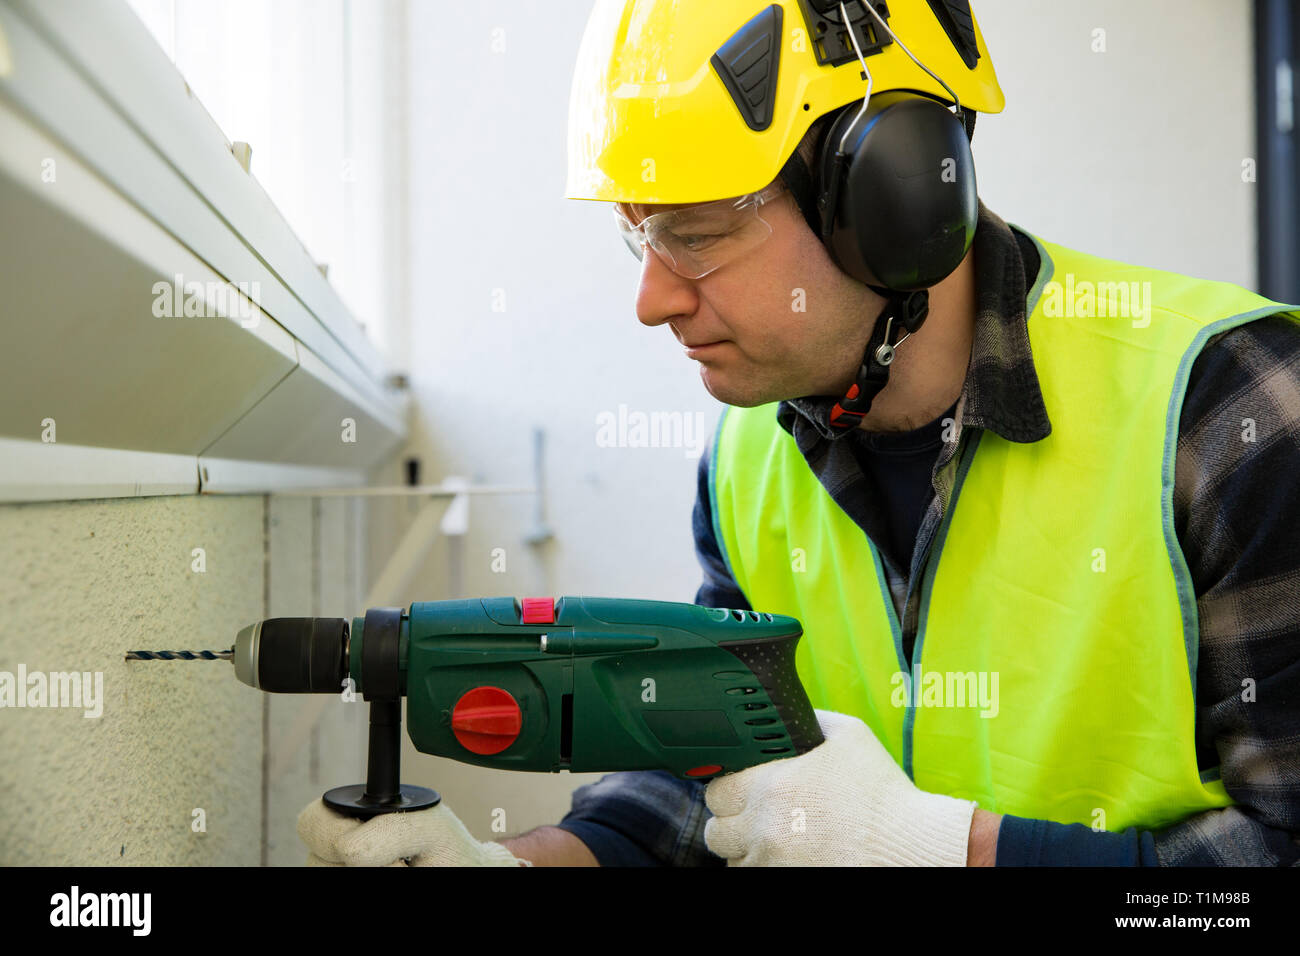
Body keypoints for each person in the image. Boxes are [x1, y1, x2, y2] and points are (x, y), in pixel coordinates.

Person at [298, 0, 1300, 866]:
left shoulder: (1228, 413)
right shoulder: (746, 461)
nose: (650, 300)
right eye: (637, 235)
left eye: (691, 233)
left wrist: (949, 849)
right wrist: (525, 859)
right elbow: (721, 771)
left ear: (894, 196)